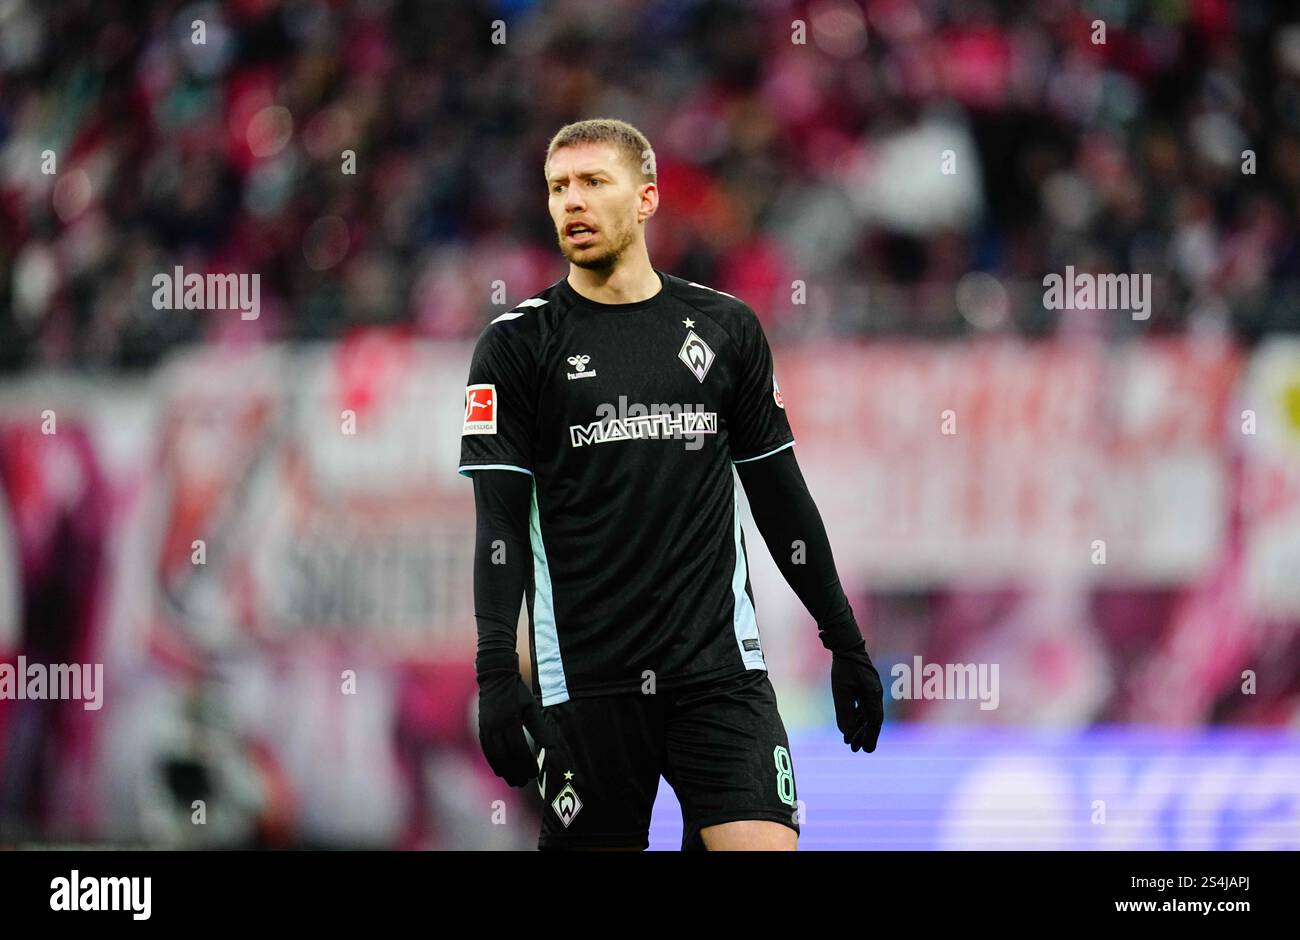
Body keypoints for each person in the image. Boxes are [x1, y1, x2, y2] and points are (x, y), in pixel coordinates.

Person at [459, 118, 883, 851]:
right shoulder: (516, 347)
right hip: (588, 686)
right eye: (559, 187)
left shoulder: (724, 329)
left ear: (648, 197)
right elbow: (499, 528)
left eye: (595, 183)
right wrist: (497, 670)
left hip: (719, 673)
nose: (573, 203)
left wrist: (843, 639)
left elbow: (781, 499)